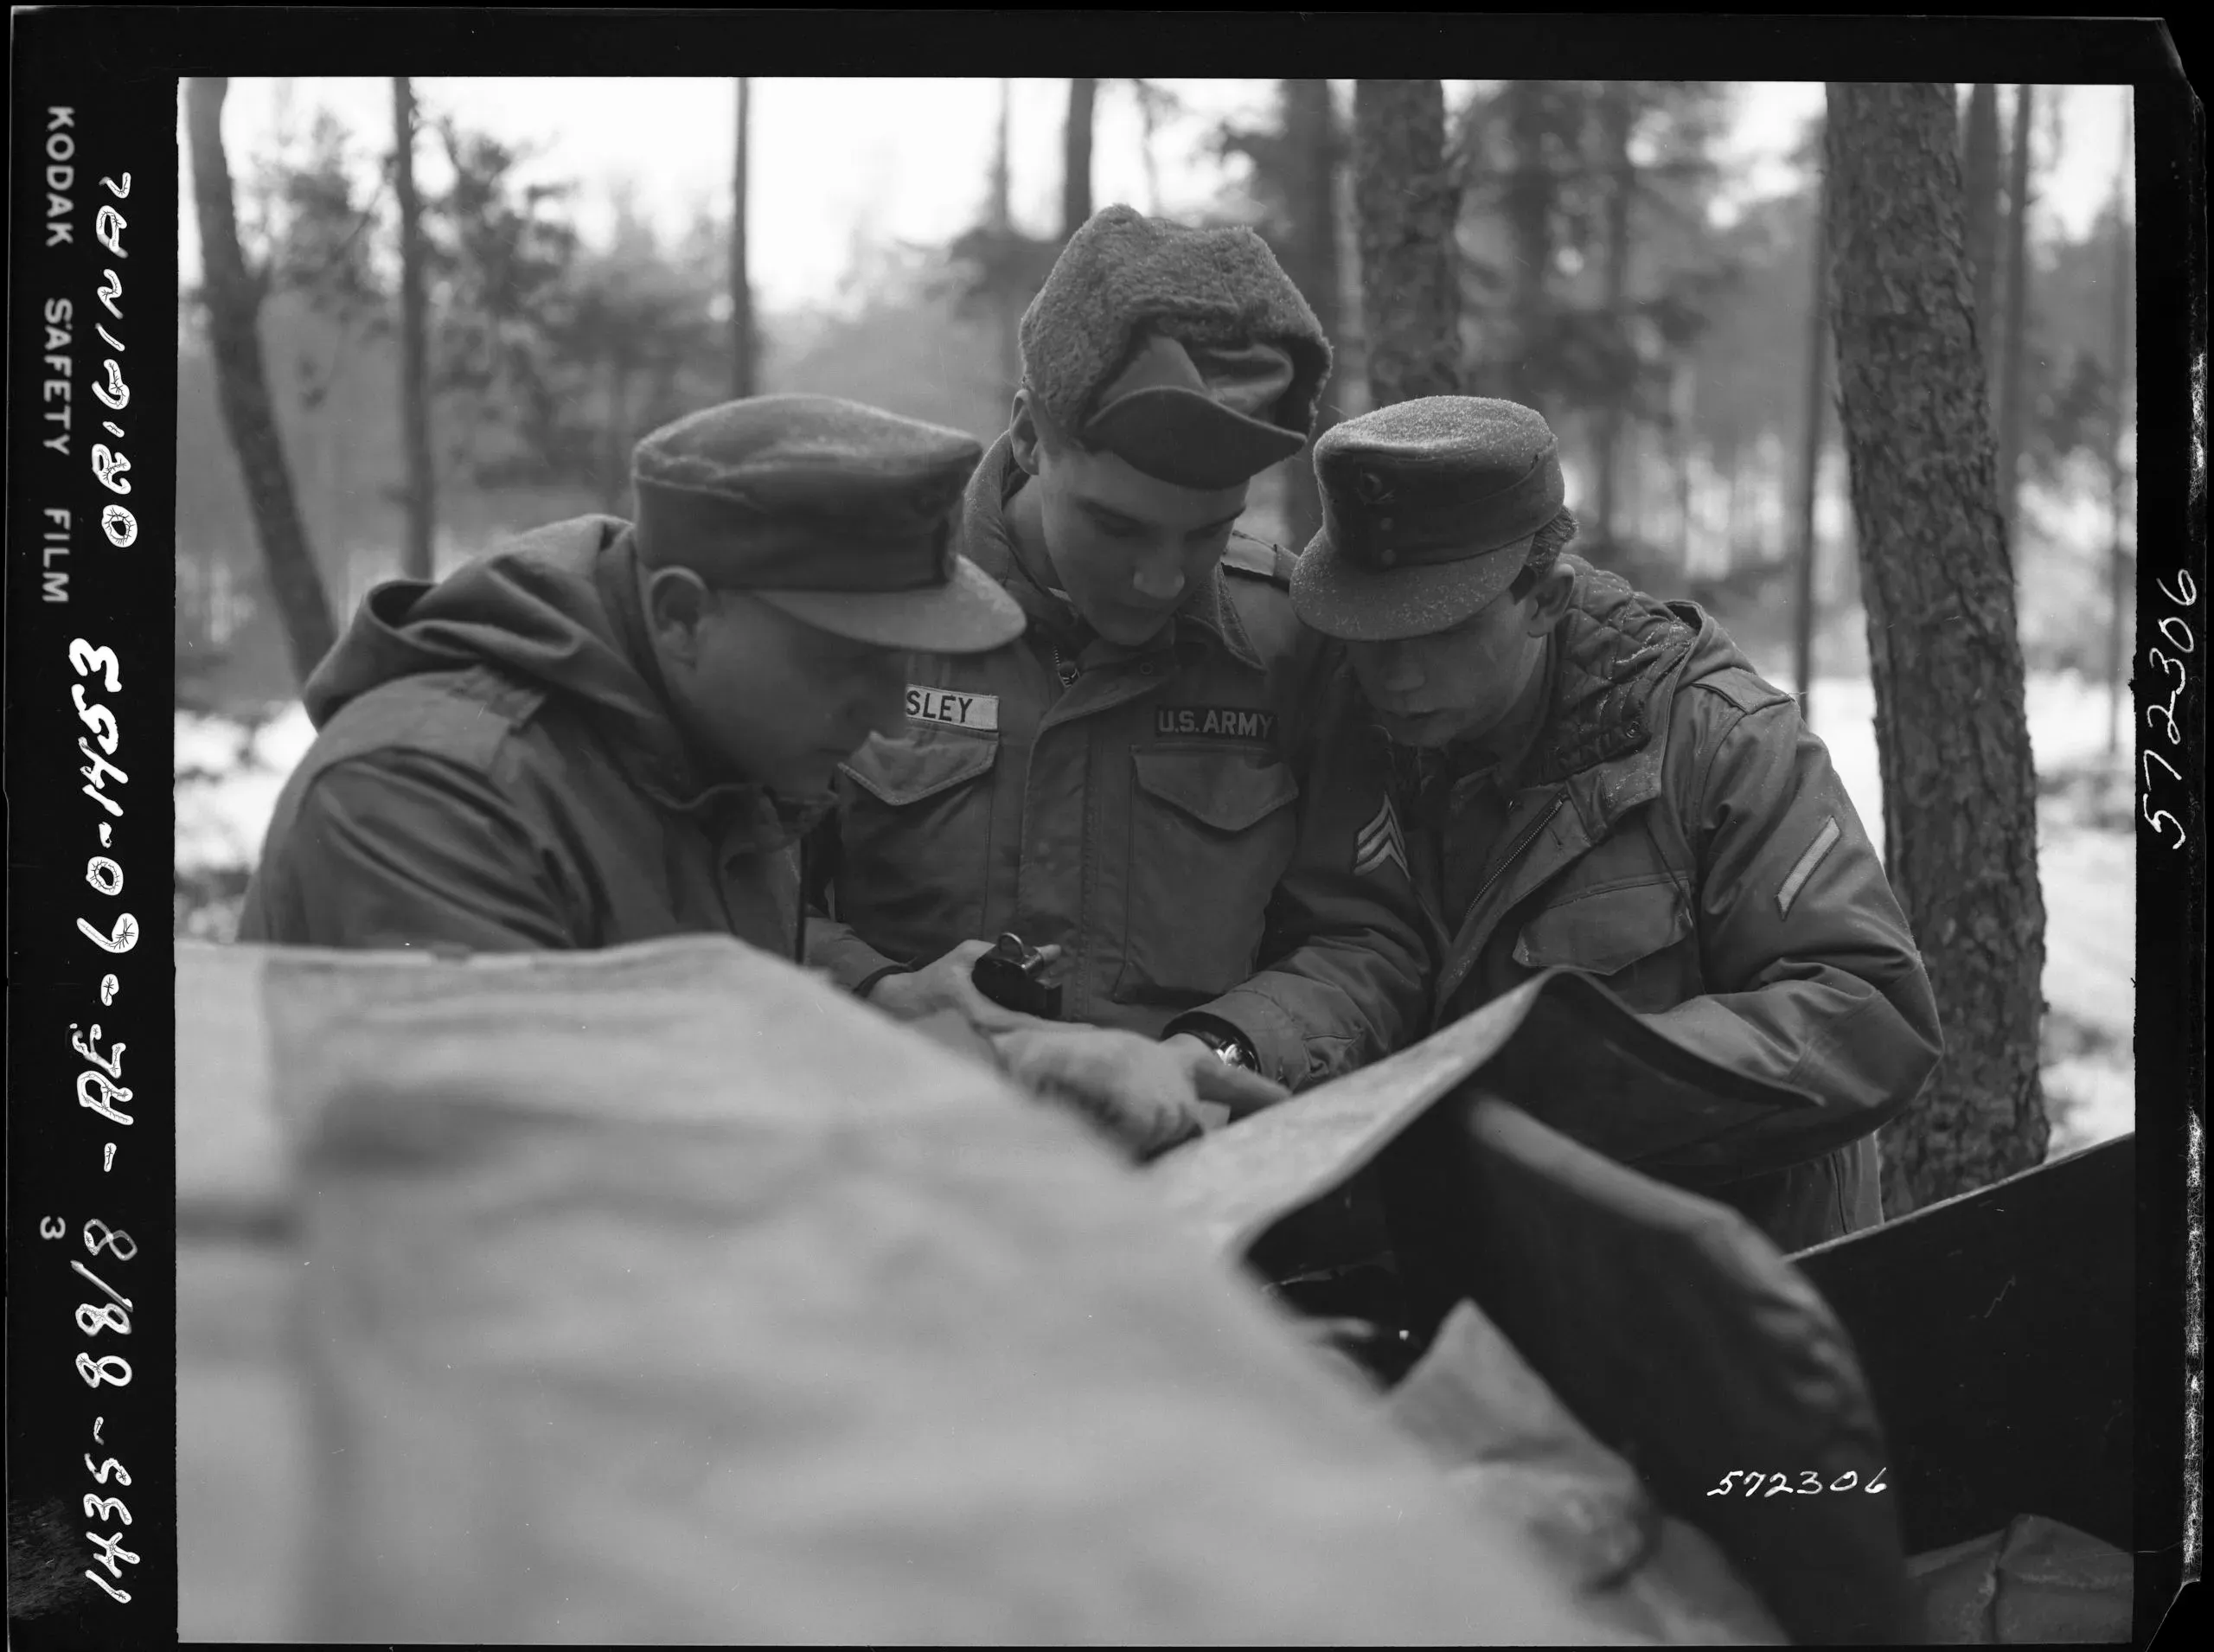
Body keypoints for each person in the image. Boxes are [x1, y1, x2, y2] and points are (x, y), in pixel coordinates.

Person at [237, 393, 1276, 1150]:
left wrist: (1021, 1059)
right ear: (684, 613)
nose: (880, 712)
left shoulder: (729, 754)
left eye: (903, 665)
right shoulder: (434, 794)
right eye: (844, 661)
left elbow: (718, 1057)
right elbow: (532, 1185)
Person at [803, 206, 1432, 1132]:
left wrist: (1218, 1052)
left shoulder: (1289, 642)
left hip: (1186, 1181)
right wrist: (880, 989)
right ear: (1028, 438)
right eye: (1117, 525)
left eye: (1209, 531)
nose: (1160, 578)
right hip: (898, 1164)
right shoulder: (867, 609)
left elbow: (1365, 936)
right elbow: (722, 900)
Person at [1288, 395, 1944, 1251]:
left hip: (1716, 1306)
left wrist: (1559, 1086)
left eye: (1438, 629)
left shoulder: (1720, 745)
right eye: (1368, 631)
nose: (1394, 673)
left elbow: (1865, 1013)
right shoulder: (1350, 736)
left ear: (1546, 599)